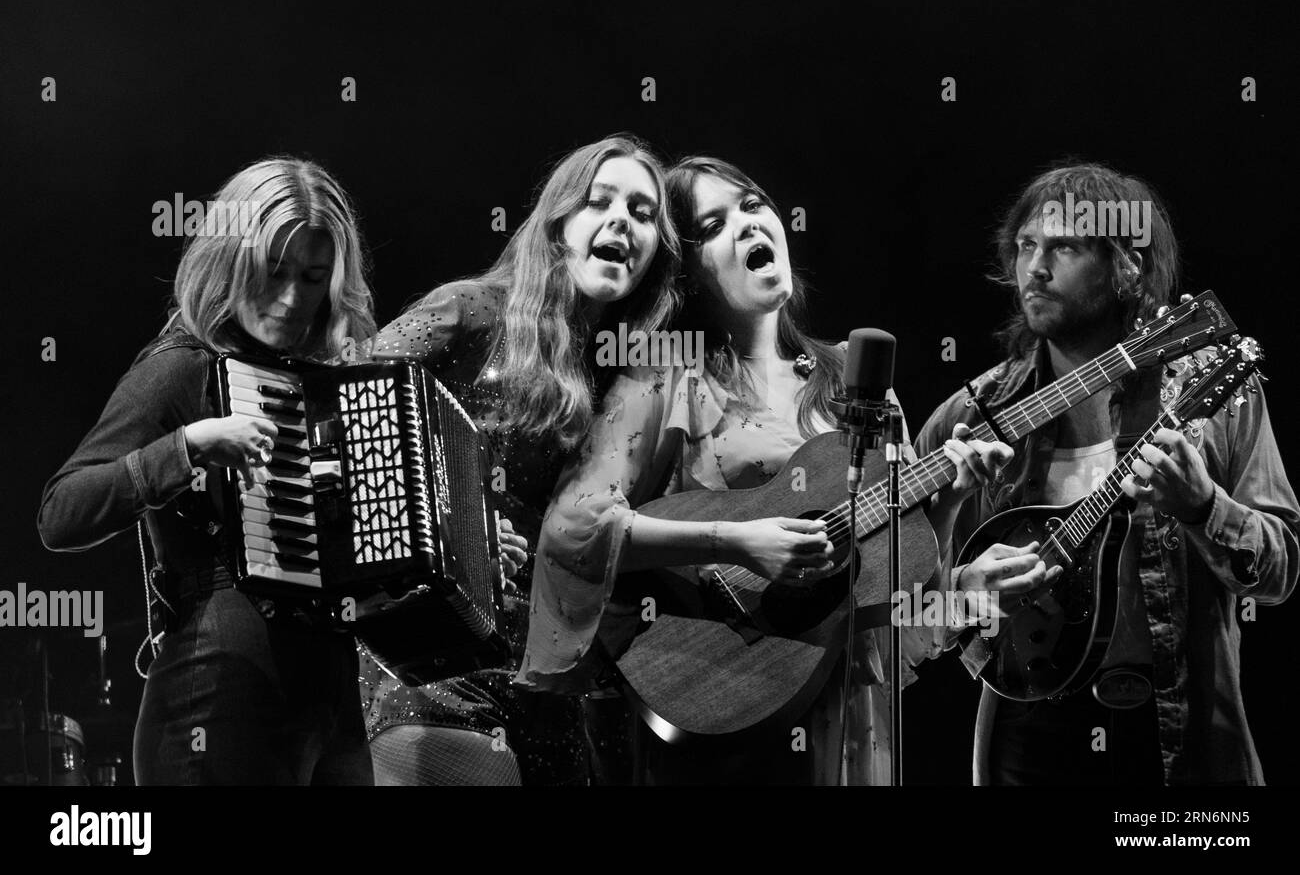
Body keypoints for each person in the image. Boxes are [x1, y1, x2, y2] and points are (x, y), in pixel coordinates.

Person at [518, 156, 1009, 783]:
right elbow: (573, 530)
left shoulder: (857, 384)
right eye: (714, 223)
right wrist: (735, 541)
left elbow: (901, 608)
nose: (747, 225)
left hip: (844, 714)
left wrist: (950, 501)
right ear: (687, 266)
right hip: (718, 690)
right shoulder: (664, 371)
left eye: (753, 205)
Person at [920, 162, 1299, 785]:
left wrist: (1206, 508)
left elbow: (1281, 568)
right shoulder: (976, 412)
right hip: (1023, 733)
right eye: (1024, 247)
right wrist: (963, 582)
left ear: (1127, 266)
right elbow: (898, 602)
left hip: (1177, 730)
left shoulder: (1210, 392)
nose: (1033, 269)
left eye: (1063, 246)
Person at [38, 156, 379, 784]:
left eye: (312, 276)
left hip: (333, 704)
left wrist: (461, 551)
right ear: (230, 260)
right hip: (219, 696)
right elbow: (61, 513)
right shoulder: (182, 367)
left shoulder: (333, 386)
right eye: (273, 271)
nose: (291, 298)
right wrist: (188, 446)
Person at [357, 134, 682, 785]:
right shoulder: (473, 313)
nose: (621, 218)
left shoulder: (627, 382)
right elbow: (348, 404)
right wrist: (448, 525)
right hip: (441, 671)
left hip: (560, 695)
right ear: (559, 222)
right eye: (599, 201)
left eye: (644, 213)